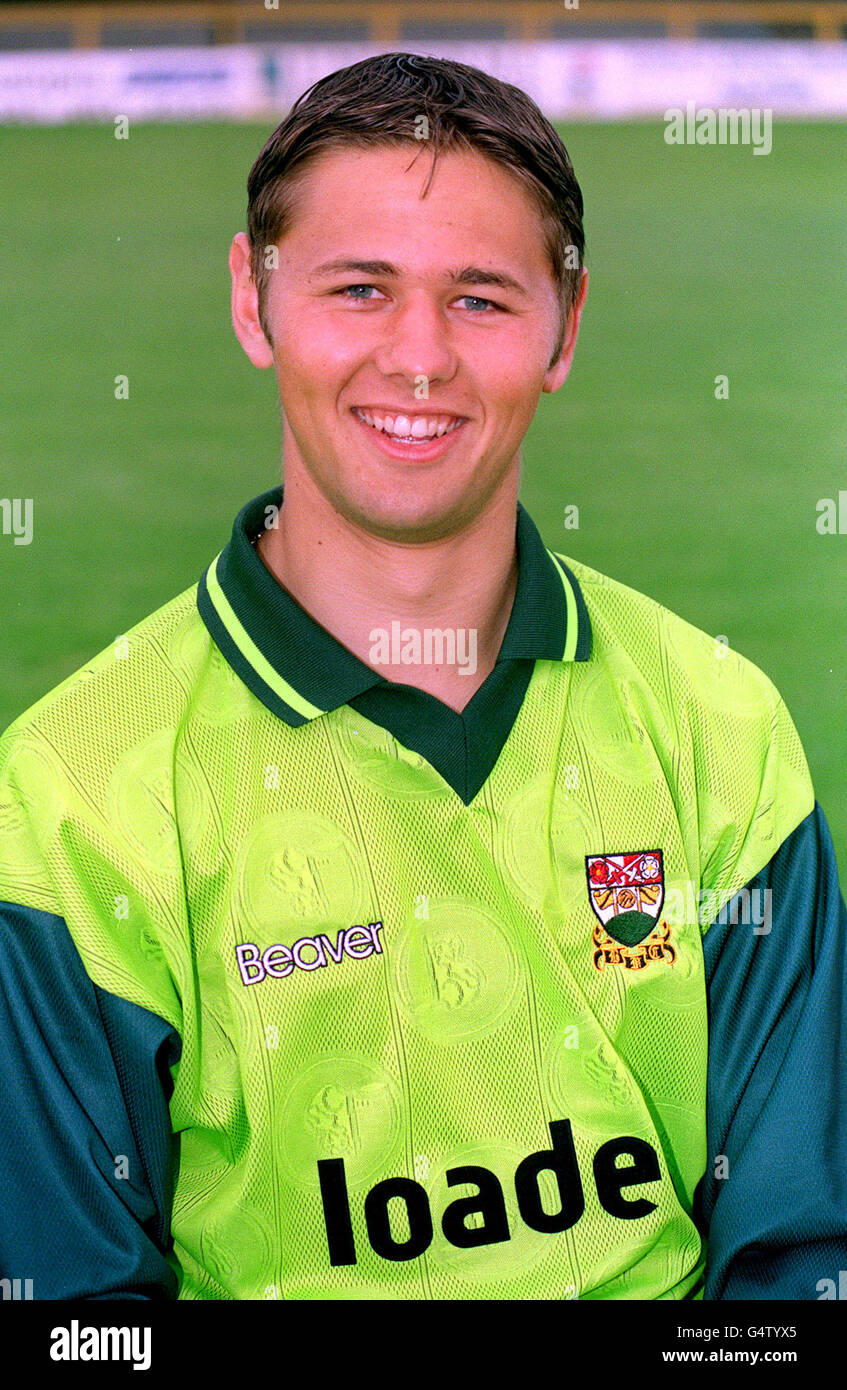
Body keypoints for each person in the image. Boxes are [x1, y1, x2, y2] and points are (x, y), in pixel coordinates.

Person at [0, 52, 844, 1302]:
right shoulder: (68, 793)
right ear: (254, 299)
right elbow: (78, 1318)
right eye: (358, 287)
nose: (418, 357)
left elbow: (795, 1263)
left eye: (482, 298)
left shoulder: (716, 723)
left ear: (565, 326)